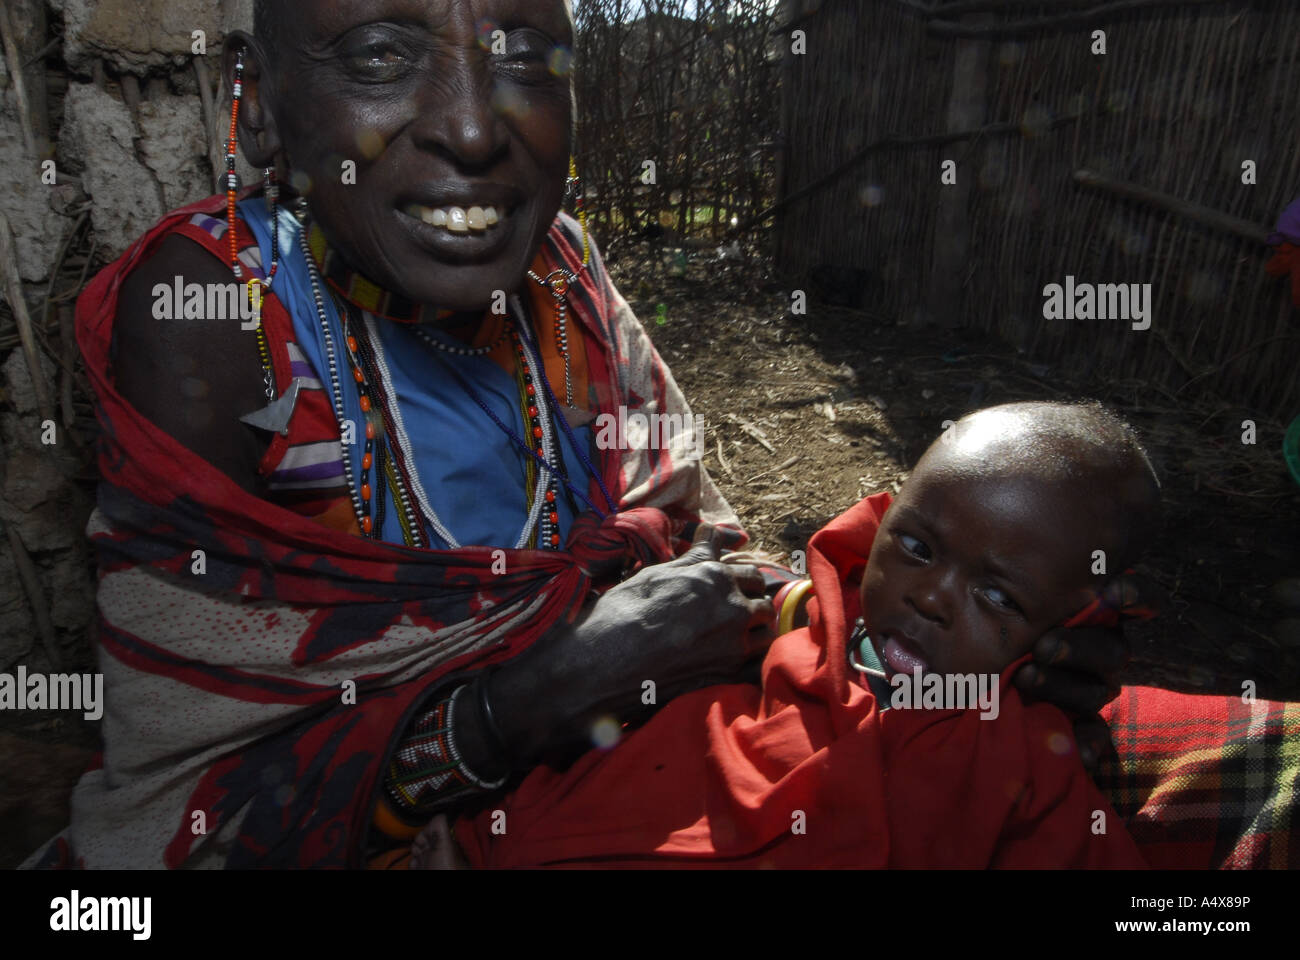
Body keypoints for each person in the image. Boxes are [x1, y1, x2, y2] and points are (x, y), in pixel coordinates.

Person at [25, 0, 1129, 869]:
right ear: (259, 106)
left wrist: (931, 643)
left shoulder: (561, 270)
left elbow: (701, 564)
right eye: (375, 56)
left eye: (519, 56)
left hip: (637, 771)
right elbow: (195, 817)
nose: (470, 127)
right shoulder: (213, 314)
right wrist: (525, 704)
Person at [434, 401, 1157, 868]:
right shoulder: (775, 637)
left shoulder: (1021, 767)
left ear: (1079, 627)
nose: (931, 597)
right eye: (916, 548)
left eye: (996, 595)